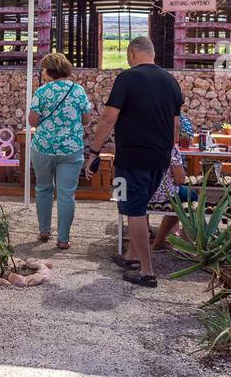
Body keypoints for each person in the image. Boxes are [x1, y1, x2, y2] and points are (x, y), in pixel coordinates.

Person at [84, 36, 182, 288]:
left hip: (132, 157)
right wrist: (167, 151)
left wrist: (93, 152)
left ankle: (147, 271)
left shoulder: (127, 79)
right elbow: (175, 124)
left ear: (131, 53)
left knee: (134, 210)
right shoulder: (171, 81)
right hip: (159, 158)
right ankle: (131, 256)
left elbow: (108, 119)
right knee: (136, 205)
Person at [27, 52, 91, 250]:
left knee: (43, 189)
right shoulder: (78, 91)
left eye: (44, 69)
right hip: (71, 149)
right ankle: (63, 239)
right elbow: (86, 119)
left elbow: (32, 121)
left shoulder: (42, 92)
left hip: (43, 148)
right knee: (66, 194)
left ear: (49, 71)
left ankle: (44, 230)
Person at [150, 116, 201, 252]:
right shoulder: (172, 150)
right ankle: (185, 240)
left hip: (144, 192)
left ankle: (159, 240)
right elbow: (180, 179)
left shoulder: (145, 146)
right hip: (164, 195)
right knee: (193, 197)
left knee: (179, 196)